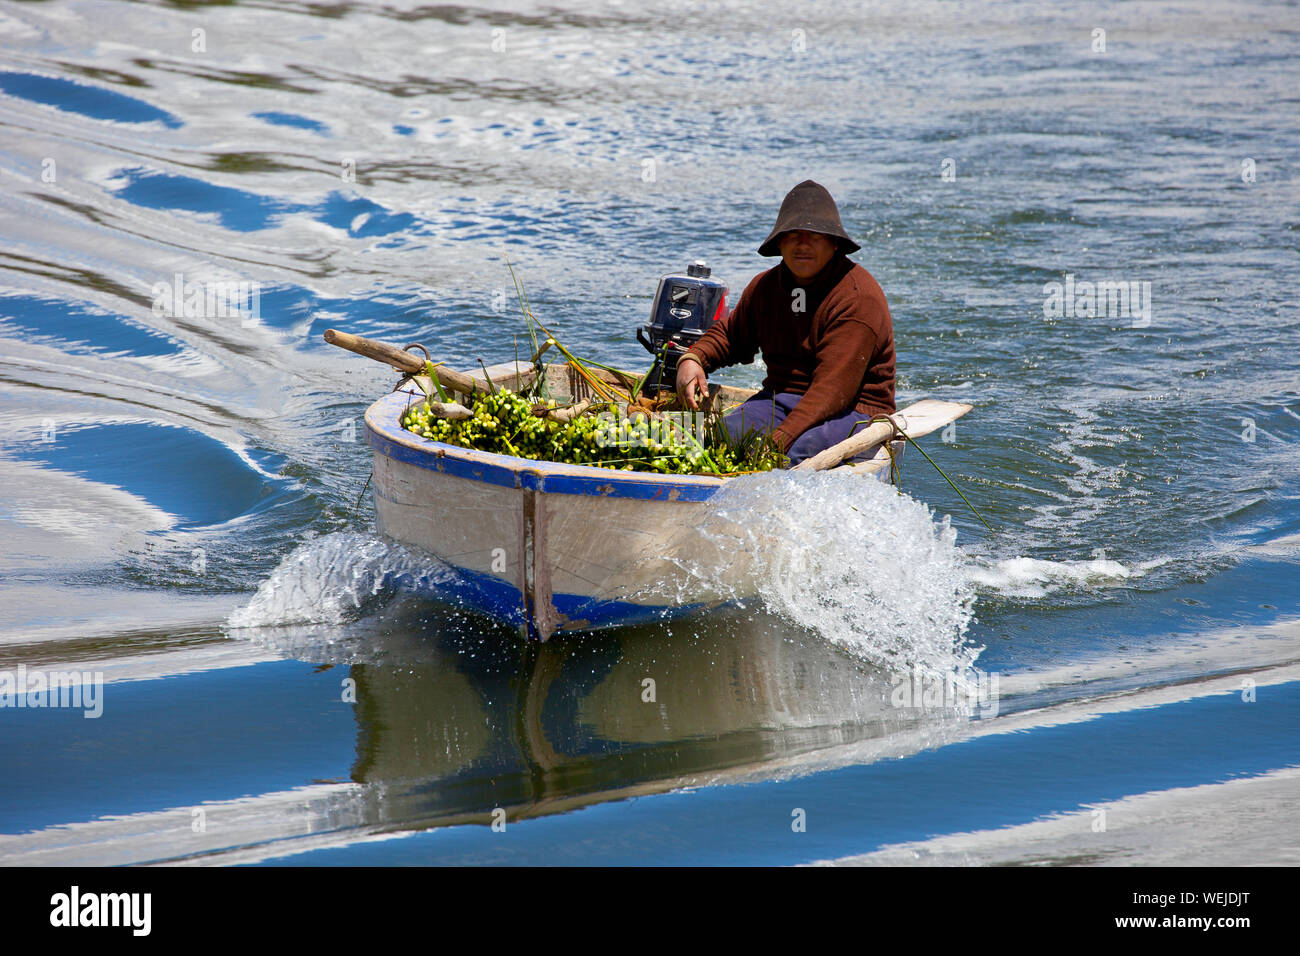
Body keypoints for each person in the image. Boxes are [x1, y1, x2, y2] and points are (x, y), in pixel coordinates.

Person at [676, 180, 896, 467]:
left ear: (834, 243)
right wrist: (693, 359)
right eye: (793, 235)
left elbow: (832, 392)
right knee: (720, 440)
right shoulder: (766, 287)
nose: (802, 244)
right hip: (780, 400)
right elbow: (732, 337)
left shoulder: (856, 298)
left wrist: (777, 441)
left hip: (854, 410)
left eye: (814, 236)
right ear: (780, 243)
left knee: (799, 453)